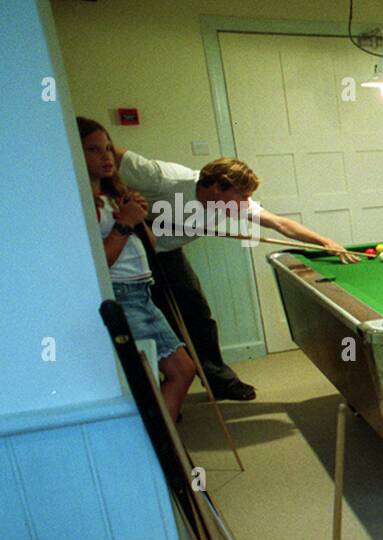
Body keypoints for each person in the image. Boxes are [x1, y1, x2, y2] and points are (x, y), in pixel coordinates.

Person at [110, 144, 356, 401]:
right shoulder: (165, 178)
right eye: (243, 196)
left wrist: (325, 242)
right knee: (148, 322)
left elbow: (280, 223)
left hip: (167, 254)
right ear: (218, 188)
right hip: (128, 253)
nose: (246, 203)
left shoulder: (235, 202)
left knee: (197, 314)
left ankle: (218, 381)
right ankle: (159, 397)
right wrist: (112, 193)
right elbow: (111, 153)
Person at [78, 117, 196, 422]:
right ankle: (160, 454)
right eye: (93, 149)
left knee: (182, 371)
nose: (106, 156)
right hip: (122, 295)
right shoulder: (84, 203)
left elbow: (151, 245)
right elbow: (98, 263)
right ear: (76, 154)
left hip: (143, 292)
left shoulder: (112, 196)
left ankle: (163, 449)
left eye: (107, 148)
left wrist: (138, 217)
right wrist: (125, 222)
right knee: (153, 382)